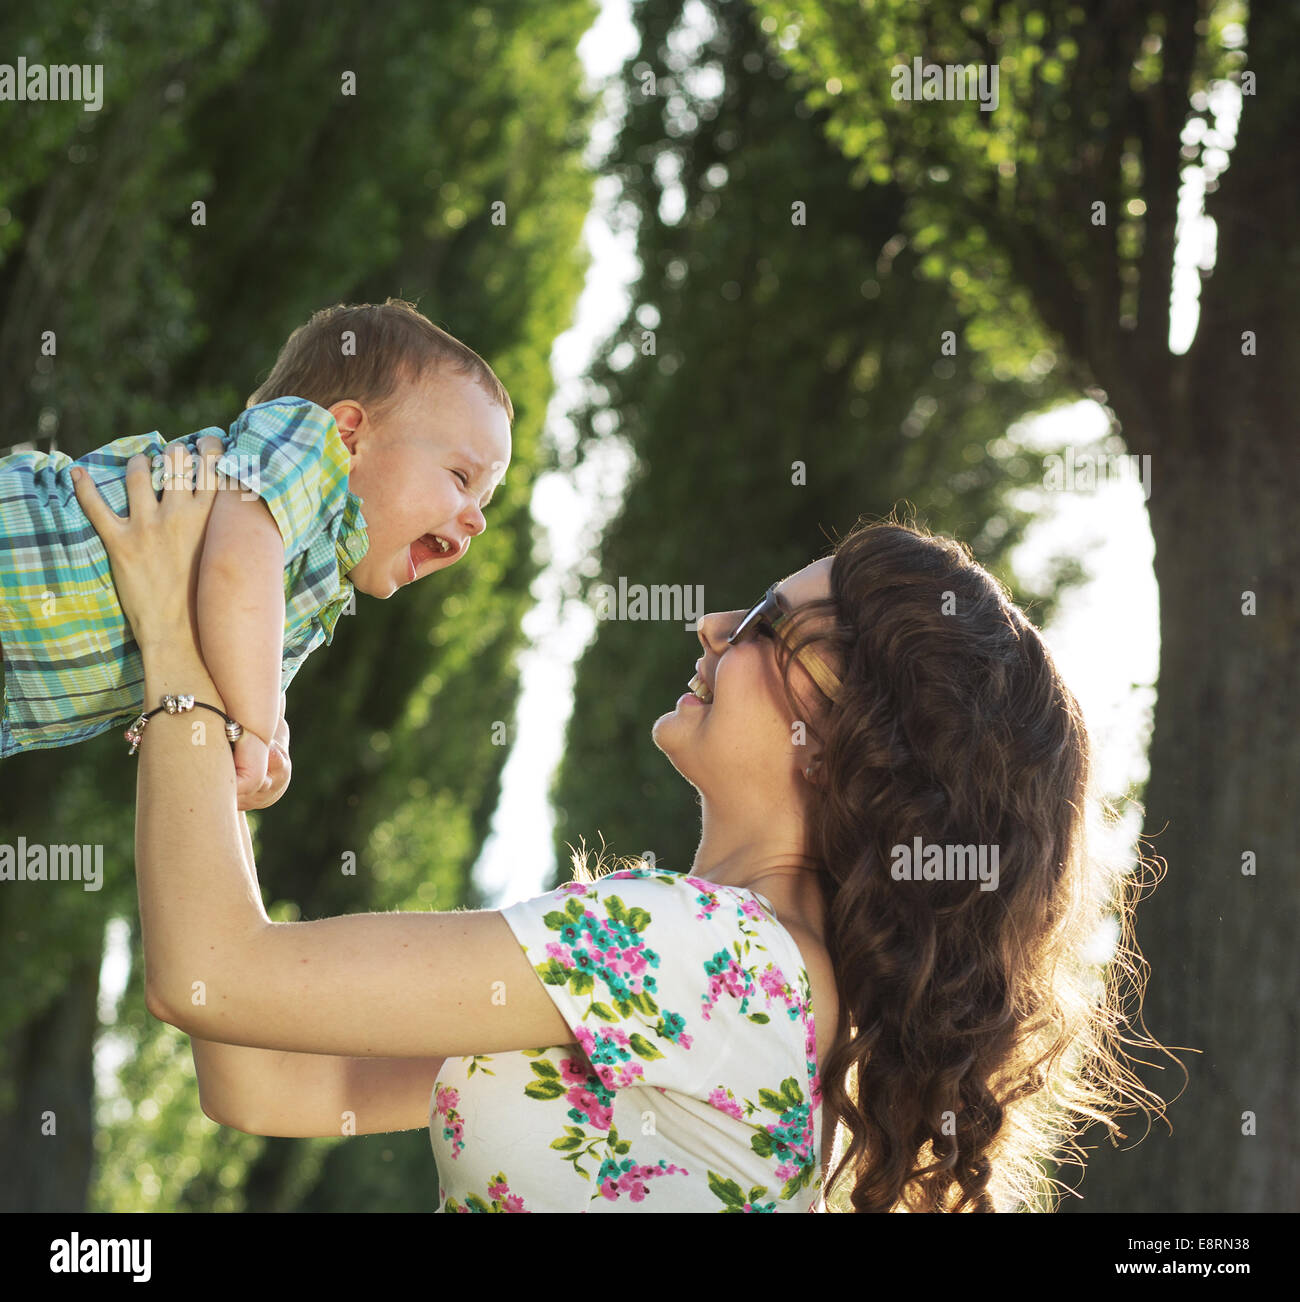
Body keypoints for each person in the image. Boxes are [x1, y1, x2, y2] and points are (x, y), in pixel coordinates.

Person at [71, 445, 1170, 1212]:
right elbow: (279, 1084)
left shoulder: (698, 955)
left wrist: (173, 648)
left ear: (842, 733)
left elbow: (208, 976)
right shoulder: (736, 978)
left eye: (761, 624)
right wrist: (217, 707)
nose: (708, 626)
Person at [0, 298, 511, 805]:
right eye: (462, 478)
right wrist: (255, 726)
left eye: (484, 502)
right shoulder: (307, 443)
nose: (478, 519)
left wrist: (271, 751)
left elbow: (241, 657)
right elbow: (234, 569)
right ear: (350, 436)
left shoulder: (313, 584)